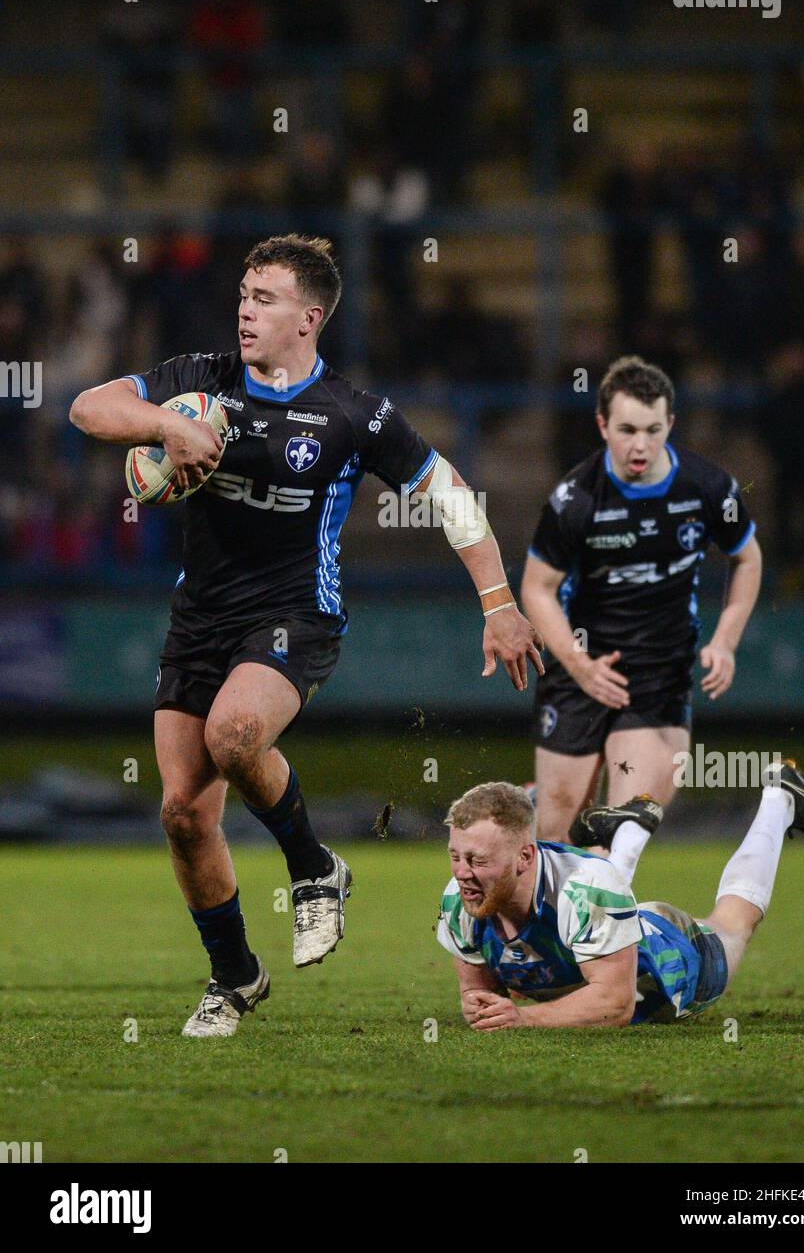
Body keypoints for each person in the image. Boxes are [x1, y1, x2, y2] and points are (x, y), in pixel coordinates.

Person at [70, 233, 543, 1038]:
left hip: (297, 612)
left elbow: (451, 495)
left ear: (309, 316)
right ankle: (235, 976)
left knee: (235, 733)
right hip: (200, 619)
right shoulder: (200, 381)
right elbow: (88, 406)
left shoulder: (354, 416)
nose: (245, 311)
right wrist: (165, 427)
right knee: (183, 814)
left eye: (265, 299)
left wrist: (498, 602)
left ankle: (313, 868)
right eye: (244, 295)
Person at [520, 355, 762, 885]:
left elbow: (747, 557)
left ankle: (599, 960)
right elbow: (537, 589)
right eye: (627, 430)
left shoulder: (707, 488)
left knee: (619, 839)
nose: (640, 446)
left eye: (653, 431)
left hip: (657, 676)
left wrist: (725, 641)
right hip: (580, 672)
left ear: (669, 425)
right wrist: (580, 666)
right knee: (555, 842)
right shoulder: (575, 499)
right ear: (603, 425)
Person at [437, 767, 804, 1030]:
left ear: (525, 855)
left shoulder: (587, 889)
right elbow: (480, 997)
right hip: (593, 931)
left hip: (663, 958)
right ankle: (631, 828)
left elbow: (615, 1005)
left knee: (735, 923)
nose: (461, 872)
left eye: (477, 859)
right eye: (455, 856)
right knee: (588, 898)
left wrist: (523, 1019)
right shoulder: (459, 899)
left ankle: (780, 799)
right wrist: (485, 1007)